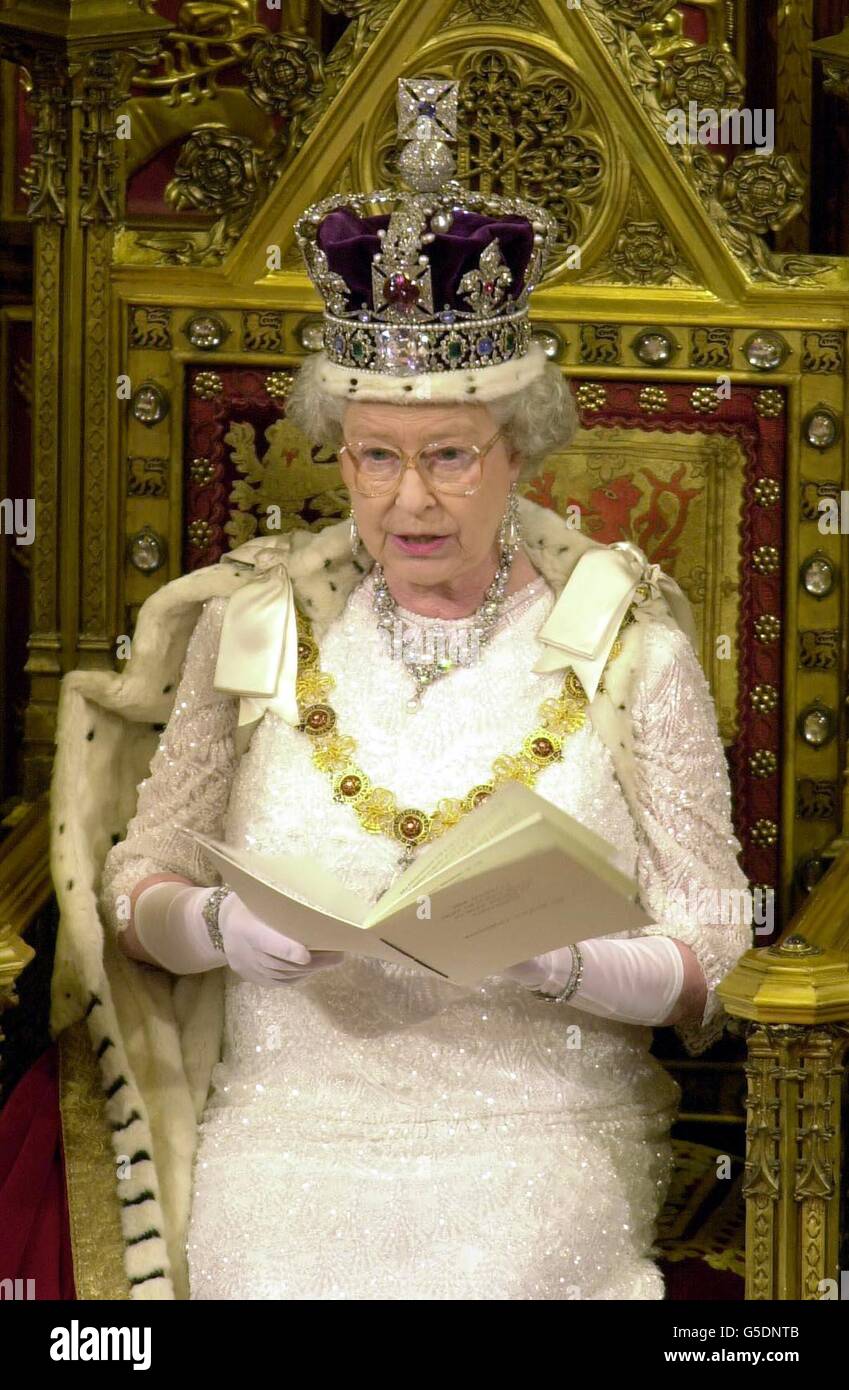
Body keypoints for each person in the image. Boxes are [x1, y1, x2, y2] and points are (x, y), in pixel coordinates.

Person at [87, 78, 752, 1300]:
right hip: (292, 1131)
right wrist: (224, 930)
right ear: (337, 452)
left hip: (535, 1127)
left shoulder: (627, 644)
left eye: (449, 457)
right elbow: (140, 884)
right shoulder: (250, 624)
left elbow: (715, 940)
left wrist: (561, 964)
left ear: (521, 450)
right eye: (375, 458)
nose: (409, 500)